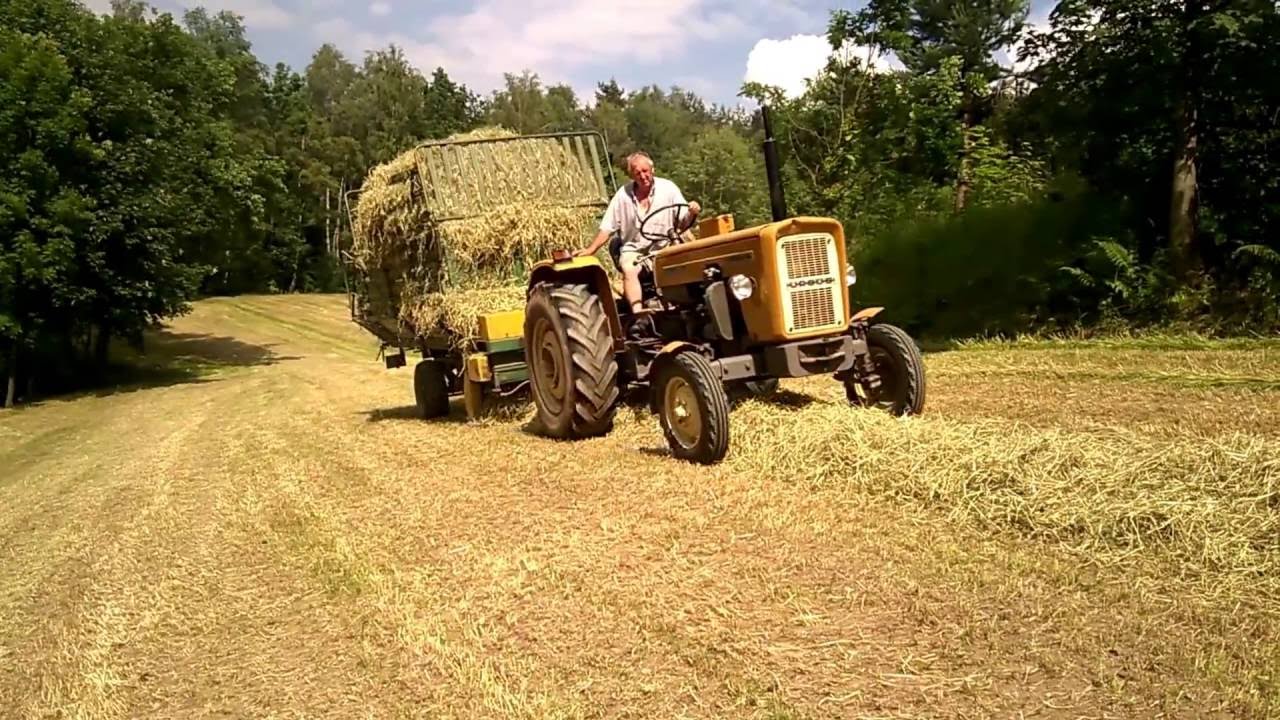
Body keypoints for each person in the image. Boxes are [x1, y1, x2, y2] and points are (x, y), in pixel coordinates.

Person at [575, 152, 699, 313]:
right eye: (637, 173)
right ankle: (638, 312)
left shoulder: (668, 188)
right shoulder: (622, 196)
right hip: (634, 250)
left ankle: (689, 306)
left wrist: (692, 211)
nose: (642, 176)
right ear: (632, 175)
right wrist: (590, 250)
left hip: (664, 246)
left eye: (645, 171)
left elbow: (684, 220)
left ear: (652, 169)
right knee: (629, 267)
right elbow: (607, 227)